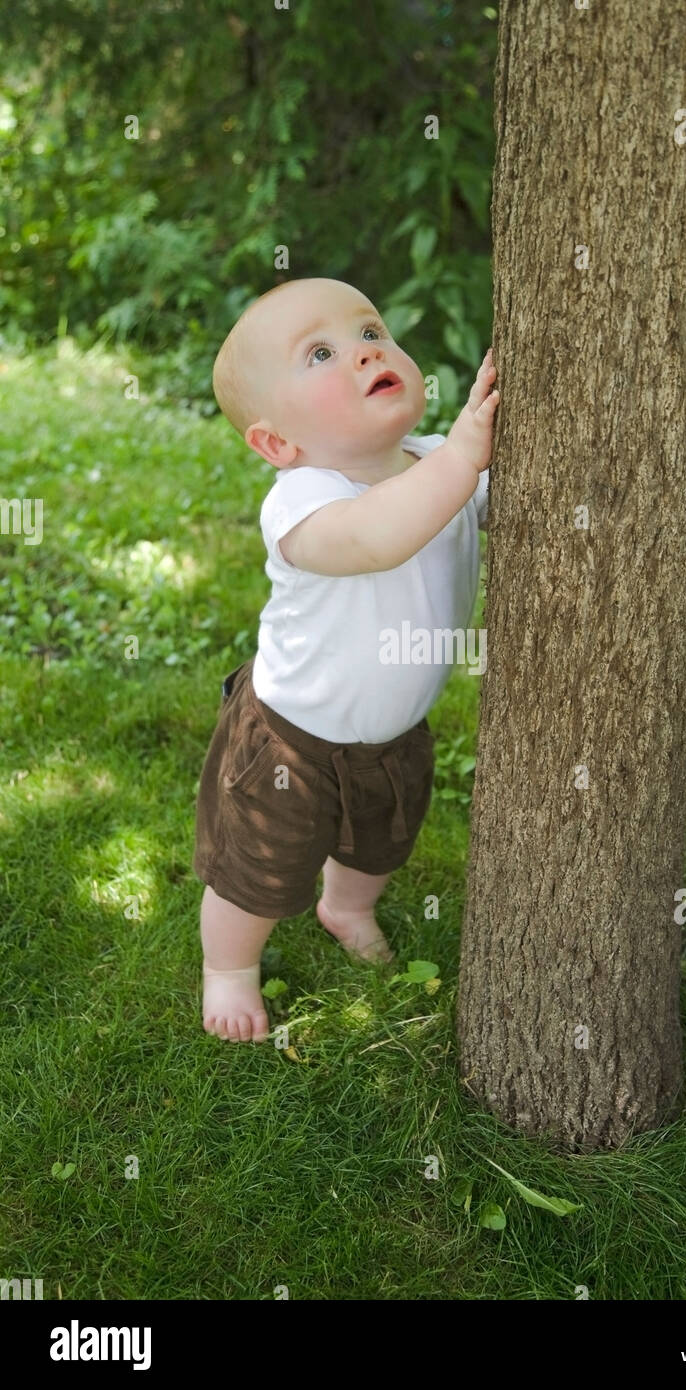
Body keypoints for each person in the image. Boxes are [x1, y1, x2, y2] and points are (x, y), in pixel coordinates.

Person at [193, 277, 498, 1041]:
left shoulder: (439, 463)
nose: (365, 352)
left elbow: (500, 504)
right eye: (322, 353)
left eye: (371, 331)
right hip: (288, 739)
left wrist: (464, 460)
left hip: (394, 733)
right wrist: (464, 458)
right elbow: (374, 537)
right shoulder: (301, 499)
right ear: (275, 443)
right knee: (257, 871)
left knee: (381, 838)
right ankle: (228, 969)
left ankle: (348, 905)